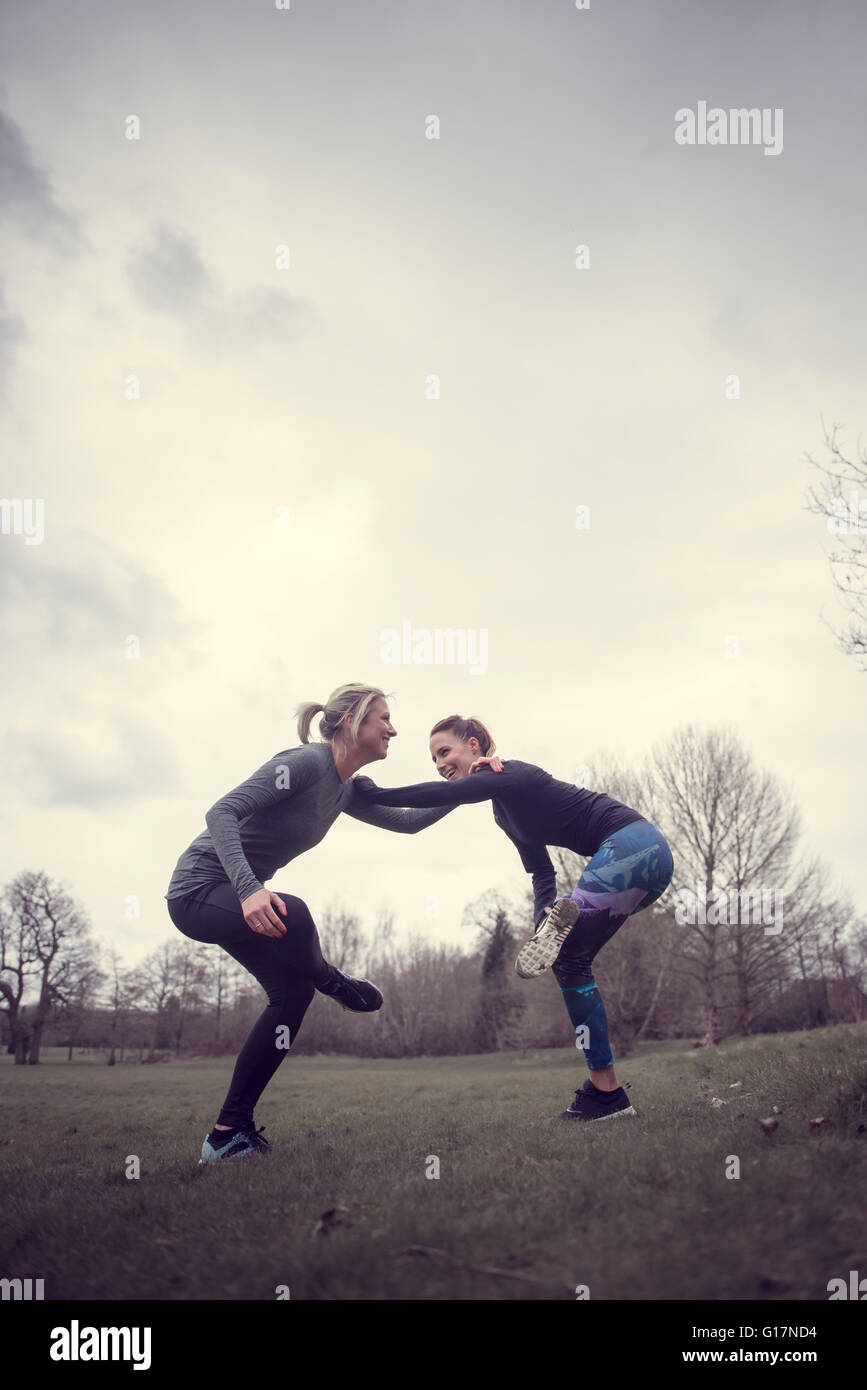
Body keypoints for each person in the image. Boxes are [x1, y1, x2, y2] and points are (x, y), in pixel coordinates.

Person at [165, 684, 453, 1163]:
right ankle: (332, 980)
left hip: (241, 899)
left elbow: (407, 822)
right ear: (350, 722)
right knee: (291, 911)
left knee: (291, 994)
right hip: (199, 892)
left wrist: (464, 784)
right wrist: (248, 889)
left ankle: (227, 1134)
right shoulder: (304, 764)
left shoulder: (346, 788)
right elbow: (222, 813)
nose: (392, 729)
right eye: (383, 718)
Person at [354, 714, 674, 1123]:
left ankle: (608, 1095)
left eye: (444, 751)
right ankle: (605, 1093)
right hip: (649, 868)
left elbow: (440, 793)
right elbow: (541, 870)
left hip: (632, 844)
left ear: (474, 746)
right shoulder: (504, 814)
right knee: (570, 959)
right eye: (433, 758)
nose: (438, 764)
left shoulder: (513, 773)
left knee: (569, 956)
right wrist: (543, 913)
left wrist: (375, 793)